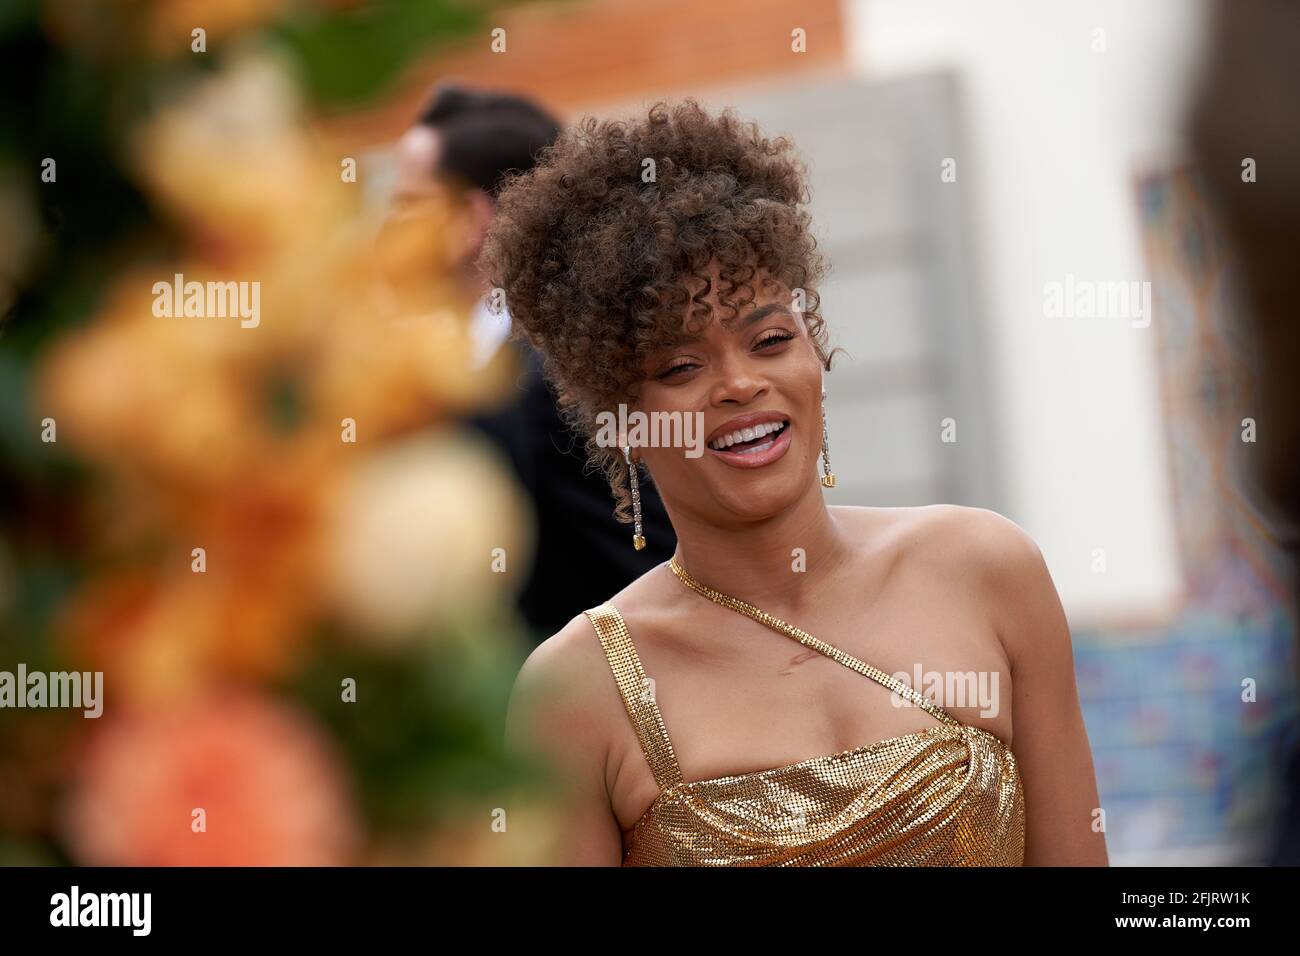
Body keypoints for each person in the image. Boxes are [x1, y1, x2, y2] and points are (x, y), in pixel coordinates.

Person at [487, 99, 1108, 866]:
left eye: (770, 339)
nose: (740, 383)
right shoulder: (580, 691)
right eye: (681, 367)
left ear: (816, 358)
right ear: (623, 424)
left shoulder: (985, 569)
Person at [392, 83, 676, 639]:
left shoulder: (569, 377)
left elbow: (651, 573)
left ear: (466, 221)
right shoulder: (463, 371)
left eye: (405, 206)